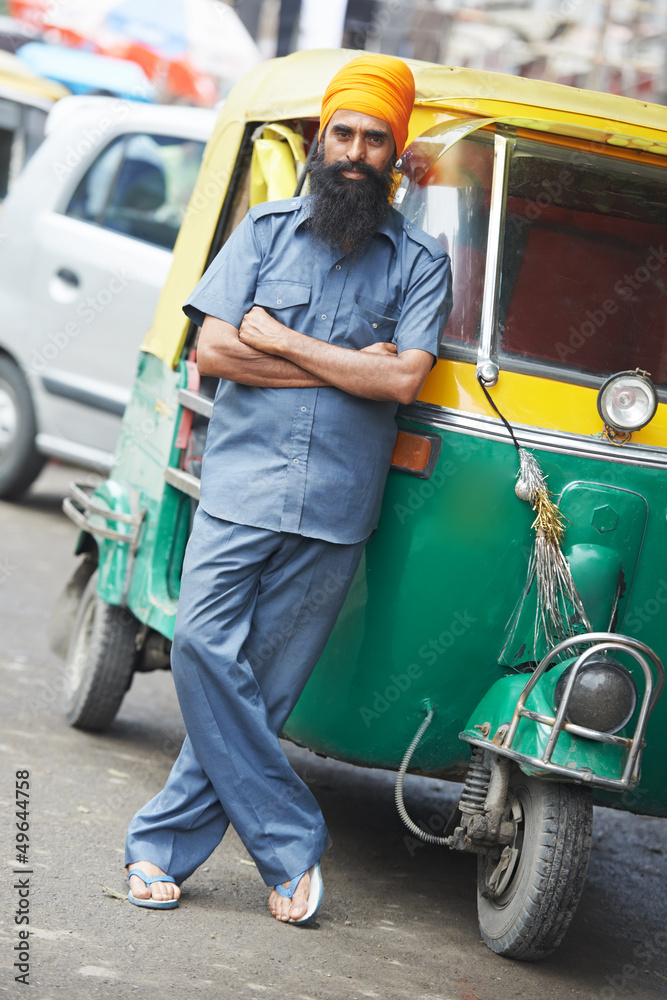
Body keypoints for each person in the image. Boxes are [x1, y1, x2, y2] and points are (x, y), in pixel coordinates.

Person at [124, 54, 452, 925]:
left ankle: (159, 851)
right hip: (238, 488)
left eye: (373, 138)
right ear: (320, 139)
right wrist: (346, 368)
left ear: (396, 152)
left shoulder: (421, 262)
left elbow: (400, 383)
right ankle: (290, 846)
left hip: (336, 509)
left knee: (263, 696)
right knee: (199, 647)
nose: (353, 150)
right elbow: (218, 352)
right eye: (341, 132)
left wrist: (288, 344)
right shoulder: (264, 232)